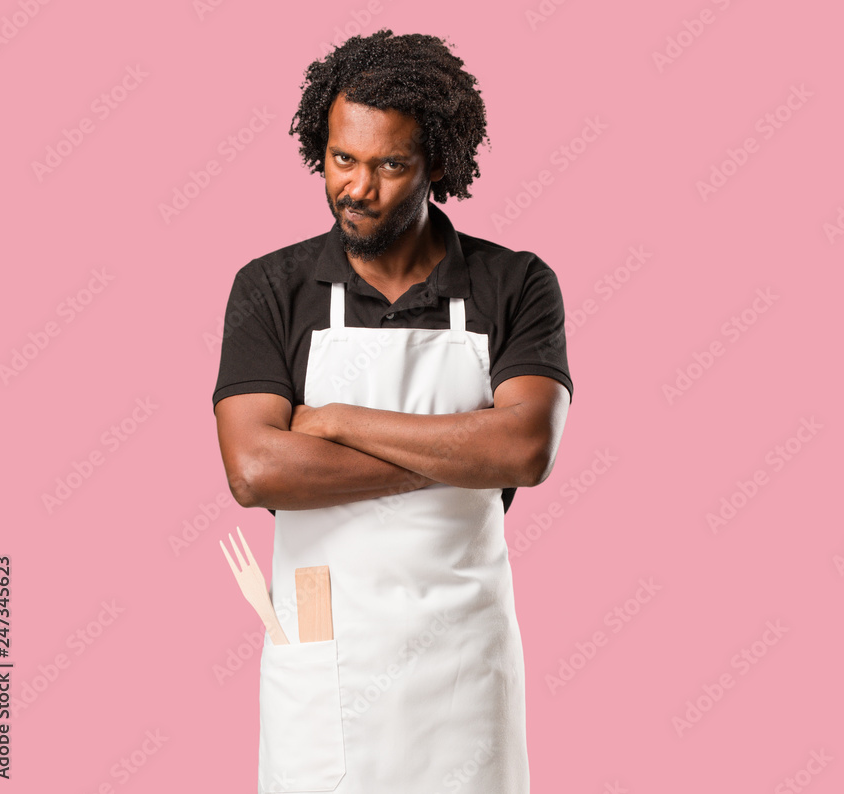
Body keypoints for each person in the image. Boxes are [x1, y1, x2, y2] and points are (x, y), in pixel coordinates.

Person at [212, 29, 572, 793]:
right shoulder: (271, 289)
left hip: (463, 669)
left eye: (390, 165)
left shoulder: (515, 284)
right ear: (321, 147)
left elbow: (524, 451)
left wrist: (336, 419)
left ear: (437, 163)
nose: (359, 187)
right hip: (325, 666)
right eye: (343, 160)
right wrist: (457, 456)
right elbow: (255, 468)